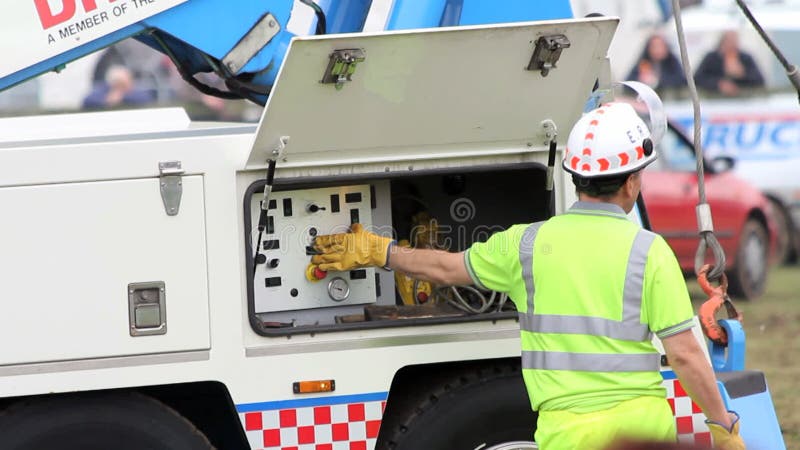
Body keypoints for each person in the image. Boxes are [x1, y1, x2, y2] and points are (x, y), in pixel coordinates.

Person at [308, 102, 745, 450]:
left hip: (564, 434)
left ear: (575, 178)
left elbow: (446, 267)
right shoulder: (650, 253)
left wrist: (379, 251)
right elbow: (686, 355)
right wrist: (722, 426)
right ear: (632, 183)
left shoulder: (526, 244)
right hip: (638, 432)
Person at [694, 30, 765, 96]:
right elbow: (697, 79)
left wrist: (742, 74)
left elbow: (759, 80)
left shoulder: (745, 58)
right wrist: (719, 84)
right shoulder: (711, 58)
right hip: (714, 100)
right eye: (729, 42)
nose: (732, 45)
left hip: (742, 100)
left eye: (735, 42)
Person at [82, 65, 154, 109]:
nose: (129, 84)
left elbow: (146, 98)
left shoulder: (133, 92)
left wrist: (121, 97)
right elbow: (88, 100)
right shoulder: (104, 89)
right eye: (121, 83)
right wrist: (106, 101)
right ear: (114, 83)